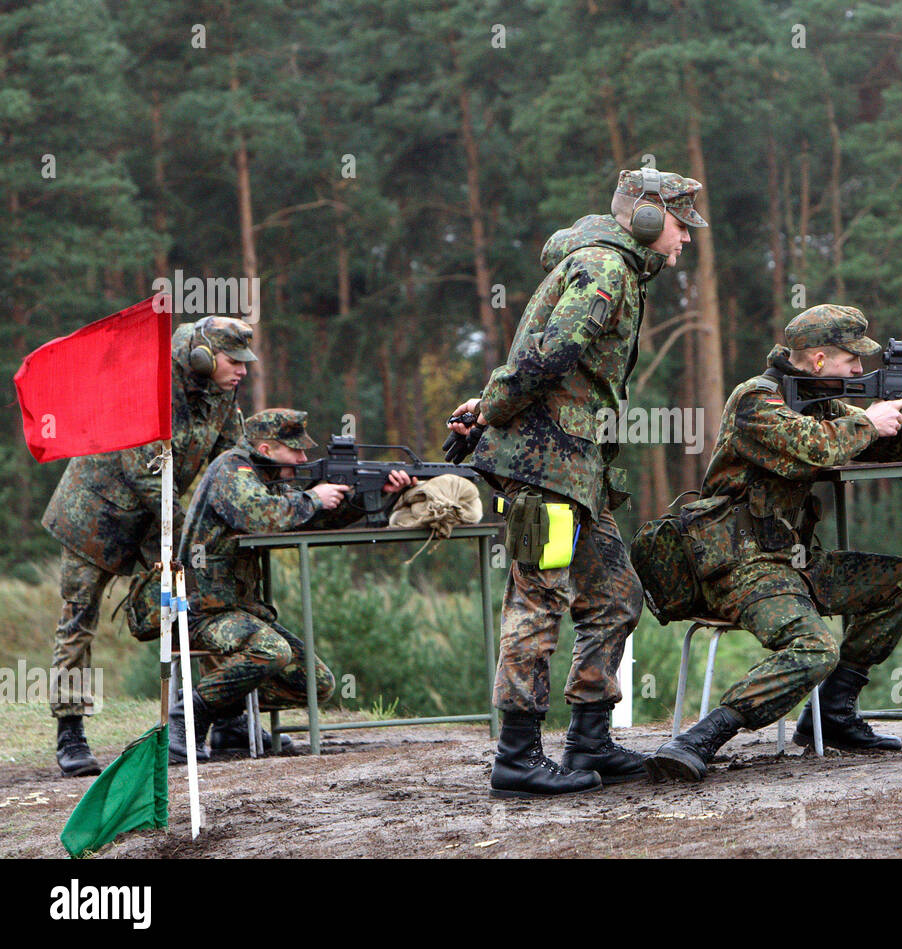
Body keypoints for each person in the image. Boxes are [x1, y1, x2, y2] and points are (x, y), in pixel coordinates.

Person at [646, 304, 902, 782]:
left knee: (900, 579)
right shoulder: (756, 400)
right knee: (815, 648)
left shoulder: (824, 403)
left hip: (794, 562)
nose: (861, 369)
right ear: (817, 360)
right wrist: (867, 421)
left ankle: (833, 713)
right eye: (851, 359)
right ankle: (703, 737)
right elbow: (813, 445)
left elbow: (884, 444)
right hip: (739, 565)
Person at [448, 168, 707, 798]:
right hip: (542, 471)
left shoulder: (615, 270)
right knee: (538, 600)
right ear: (645, 219)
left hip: (576, 475)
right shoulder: (607, 269)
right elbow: (550, 351)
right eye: (680, 226)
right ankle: (516, 757)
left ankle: (590, 736)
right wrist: (491, 408)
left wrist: (491, 405)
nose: (687, 240)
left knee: (617, 595)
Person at [41, 316, 254, 776]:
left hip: (159, 511)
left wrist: (250, 497)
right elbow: (144, 471)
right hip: (94, 513)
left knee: (203, 597)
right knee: (79, 616)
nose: (242, 371)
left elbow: (231, 456)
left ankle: (225, 715)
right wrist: (186, 529)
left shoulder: (222, 392)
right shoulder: (148, 386)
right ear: (203, 356)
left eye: (244, 363)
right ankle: (71, 730)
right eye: (234, 361)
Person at [173, 409, 412, 763]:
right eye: (295, 451)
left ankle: (229, 724)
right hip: (202, 610)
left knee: (316, 684)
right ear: (267, 448)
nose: (303, 458)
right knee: (273, 653)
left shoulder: (265, 475)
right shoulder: (232, 468)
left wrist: (363, 498)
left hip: (237, 610)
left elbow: (306, 521)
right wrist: (314, 497)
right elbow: (257, 515)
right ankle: (186, 719)